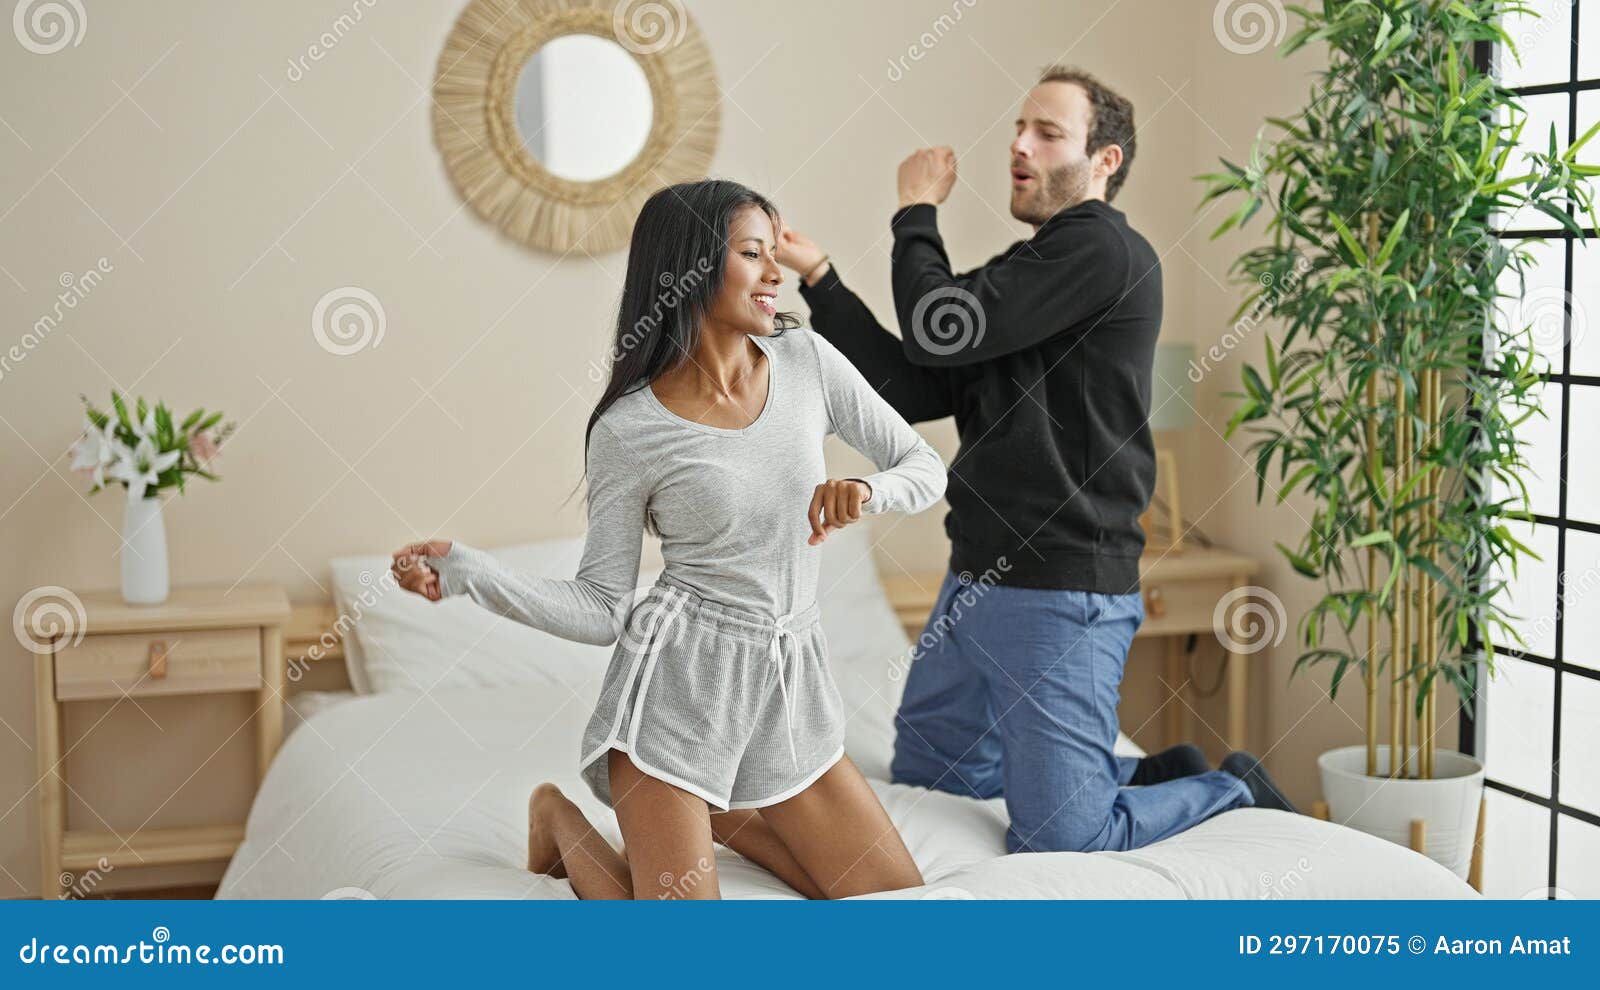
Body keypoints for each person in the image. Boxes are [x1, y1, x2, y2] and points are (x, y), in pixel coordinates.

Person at [776, 65, 1297, 856]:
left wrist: (915, 213)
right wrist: (822, 279)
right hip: (974, 578)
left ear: (1105, 161)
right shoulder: (1026, 278)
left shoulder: (1104, 250)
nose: (1019, 145)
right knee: (936, 774)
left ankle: (1231, 788)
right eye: (1020, 129)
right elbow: (909, 384)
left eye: (1048, 133)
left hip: (1059, 585)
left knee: (1063, 835)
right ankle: (1153, 772)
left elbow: (937, 325)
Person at [391, 179, 947, 899]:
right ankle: (558, 819)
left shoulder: (807, 361)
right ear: (691, 267)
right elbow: (602, 606)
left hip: (789, 685)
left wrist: (870, 492)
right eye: (753, 254)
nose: (776, 274)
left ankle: (723, 814)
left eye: (774, 254)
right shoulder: (629, 428)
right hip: (678, 697)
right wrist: (471, 573)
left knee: (904, 910)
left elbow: (924, 466)